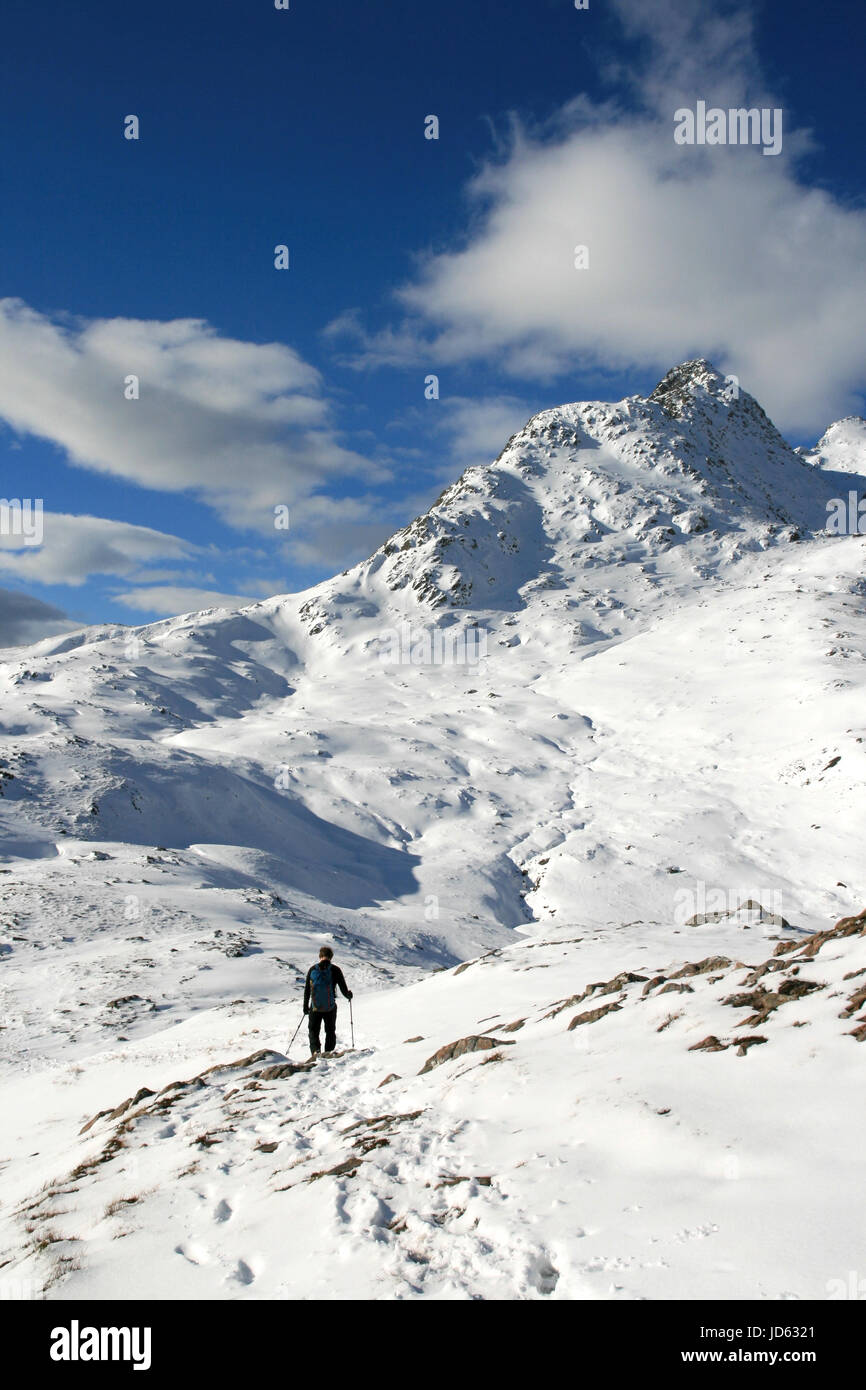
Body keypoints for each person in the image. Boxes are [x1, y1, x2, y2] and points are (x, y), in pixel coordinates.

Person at [303, 945, 352, 1056]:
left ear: (320, 956)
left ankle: (316, 1052)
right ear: (331, 957)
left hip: (315, 1008)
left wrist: (305, 1007)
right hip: (330, 1007)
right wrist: (349, 995)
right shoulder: (335, 970)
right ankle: (328, 1053)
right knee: (330, 1031)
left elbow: (307, 990)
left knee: (313, 1031)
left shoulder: (312, 970)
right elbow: (343, 989)